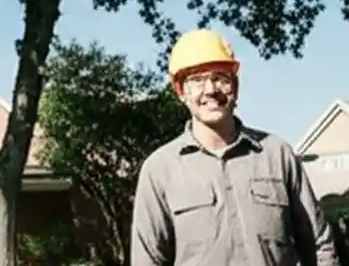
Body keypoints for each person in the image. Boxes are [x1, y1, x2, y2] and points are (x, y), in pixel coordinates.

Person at [130, 29, 338, 266]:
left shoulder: (277, 155)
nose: (210, 90)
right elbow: (147, 260)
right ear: (181, 91)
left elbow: (319, 246)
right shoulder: (160, 170)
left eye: (221, 77)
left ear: (235, 87)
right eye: (196, 80)